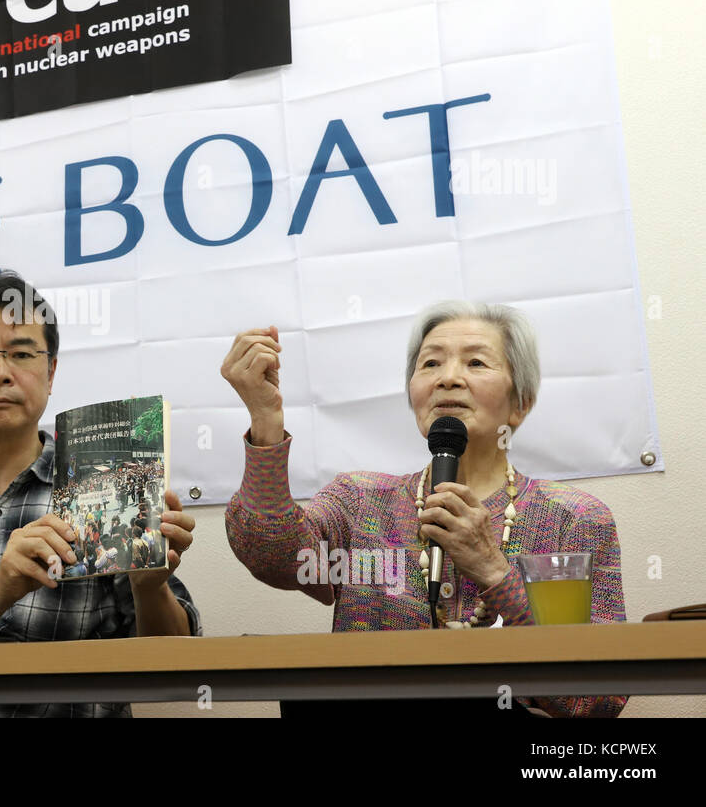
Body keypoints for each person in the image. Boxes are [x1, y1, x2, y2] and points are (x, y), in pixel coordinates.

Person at [222, 301, 626, 718]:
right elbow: (273, 555)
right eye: (430, 364)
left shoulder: (572, 519)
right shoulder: (360, 502)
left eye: (476, 363)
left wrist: (494, 570)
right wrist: (265, 419)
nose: (448, 379)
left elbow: (595, 699)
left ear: (520, 403)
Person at [0, 270, 201, 717]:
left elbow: (175, 666)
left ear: (51, 372)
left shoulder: (103, 485)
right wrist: (1, 588)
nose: (0, 373)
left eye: (22, 354)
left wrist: (149, 586)